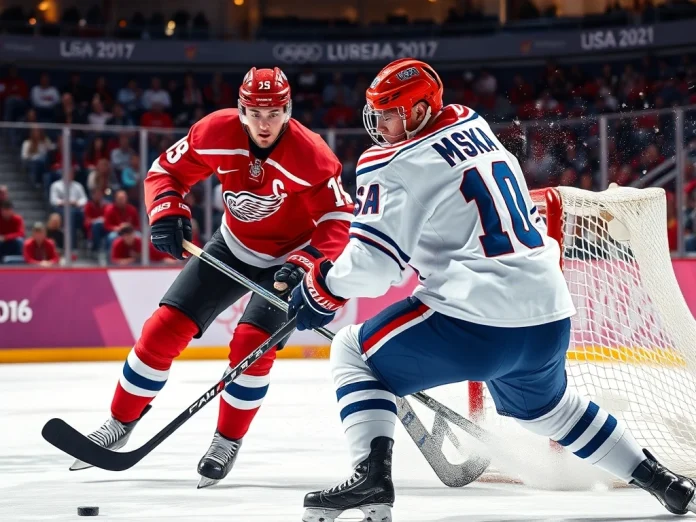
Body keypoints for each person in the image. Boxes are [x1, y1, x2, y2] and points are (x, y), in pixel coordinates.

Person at [287, 58, 696, 521]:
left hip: (475, 320)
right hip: (548, 314)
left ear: (420, 111)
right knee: (550, 410)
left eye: (390, 113)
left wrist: (322, 285)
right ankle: (660, 479)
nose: (380, 125)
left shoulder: (391, 162)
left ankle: (371, 479)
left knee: (352, 351)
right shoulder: (472, 123)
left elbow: (375, 268)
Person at [73, 67, 354, 489]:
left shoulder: (312, 155)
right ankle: (119, 422)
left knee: (250, 346)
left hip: (286, 262)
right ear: (241, 109)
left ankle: (226, 440)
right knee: (162, 330)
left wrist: (306, 261)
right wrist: (166, 209)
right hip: (231, 246)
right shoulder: (214, 131)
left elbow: (337, 218)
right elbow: (164, 172)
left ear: (288, 110)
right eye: (255, 112)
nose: (264, 123)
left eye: (274, 112)